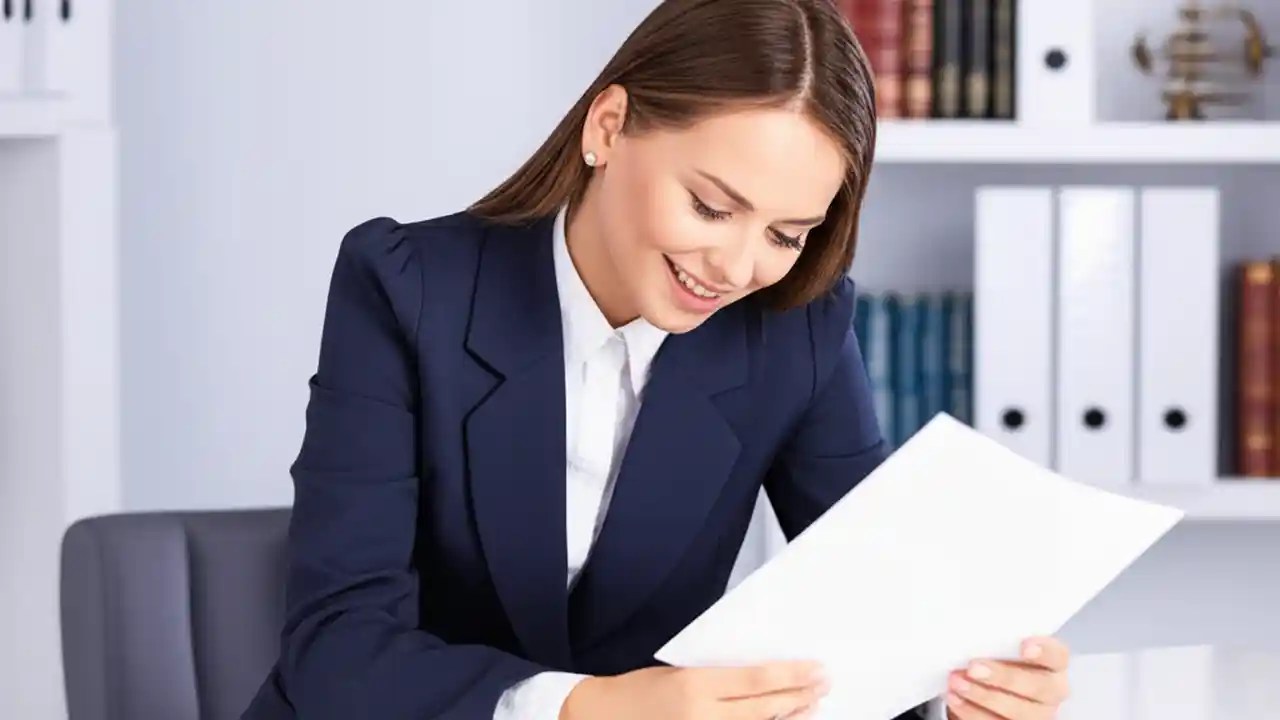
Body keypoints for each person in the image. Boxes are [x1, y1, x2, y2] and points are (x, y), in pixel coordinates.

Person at [243, 0, 1073, 718]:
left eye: (787, 235)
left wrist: (960, 689)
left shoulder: (795, 326)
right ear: (608, 127)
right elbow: (337, 650)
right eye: (712, 206)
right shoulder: (405, 287)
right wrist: (585, 708)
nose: (739, 267)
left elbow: (877, 601)